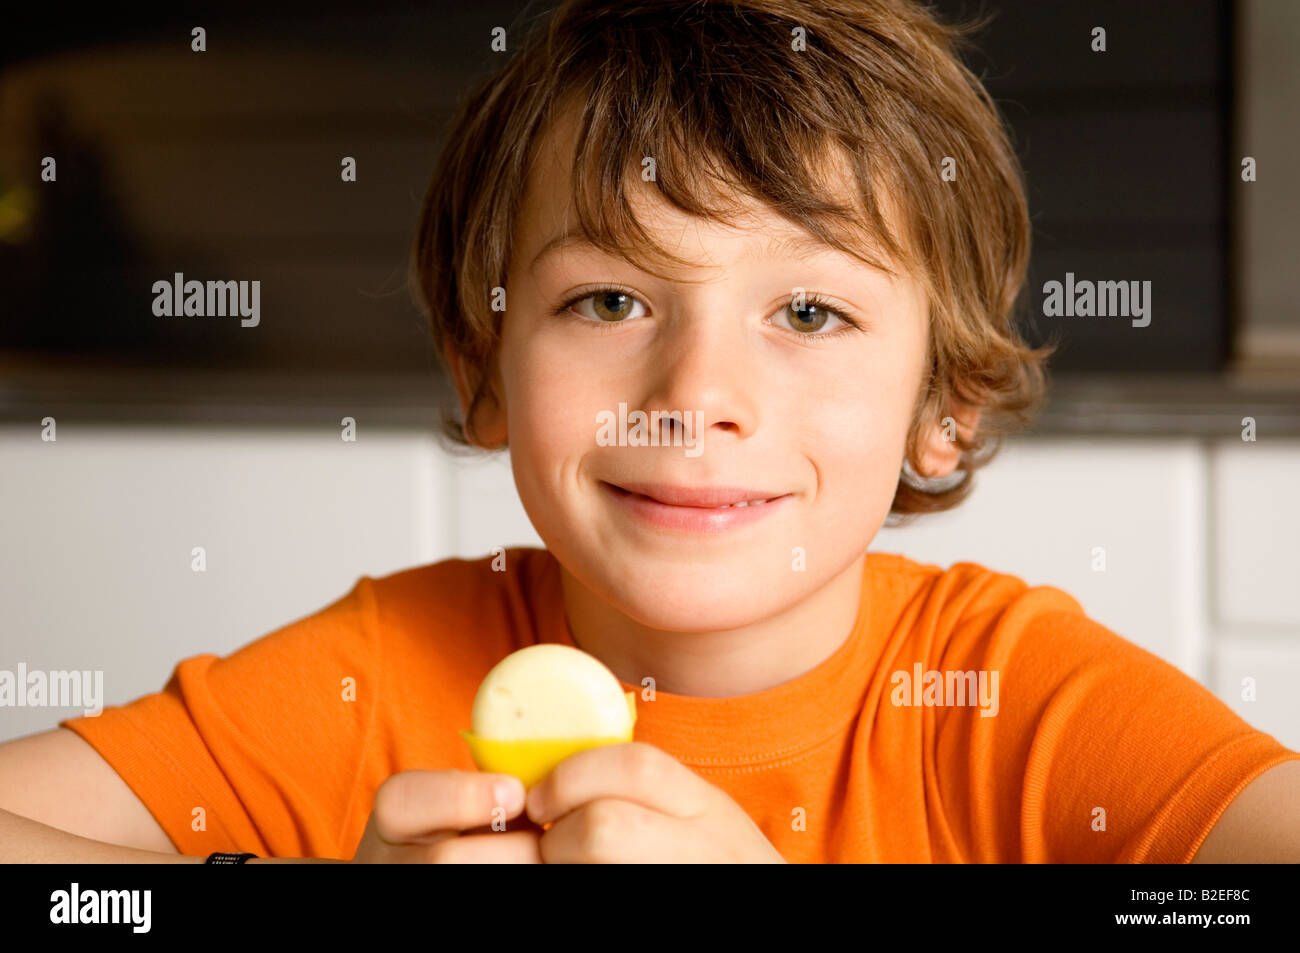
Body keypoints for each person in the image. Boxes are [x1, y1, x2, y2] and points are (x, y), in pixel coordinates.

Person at [4, 0, 1297, 863]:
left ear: (945, 405)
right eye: (609, 298)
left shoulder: (1008, 695)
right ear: (486, 365)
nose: (693, 390)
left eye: (808, 307)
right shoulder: (386, 666)